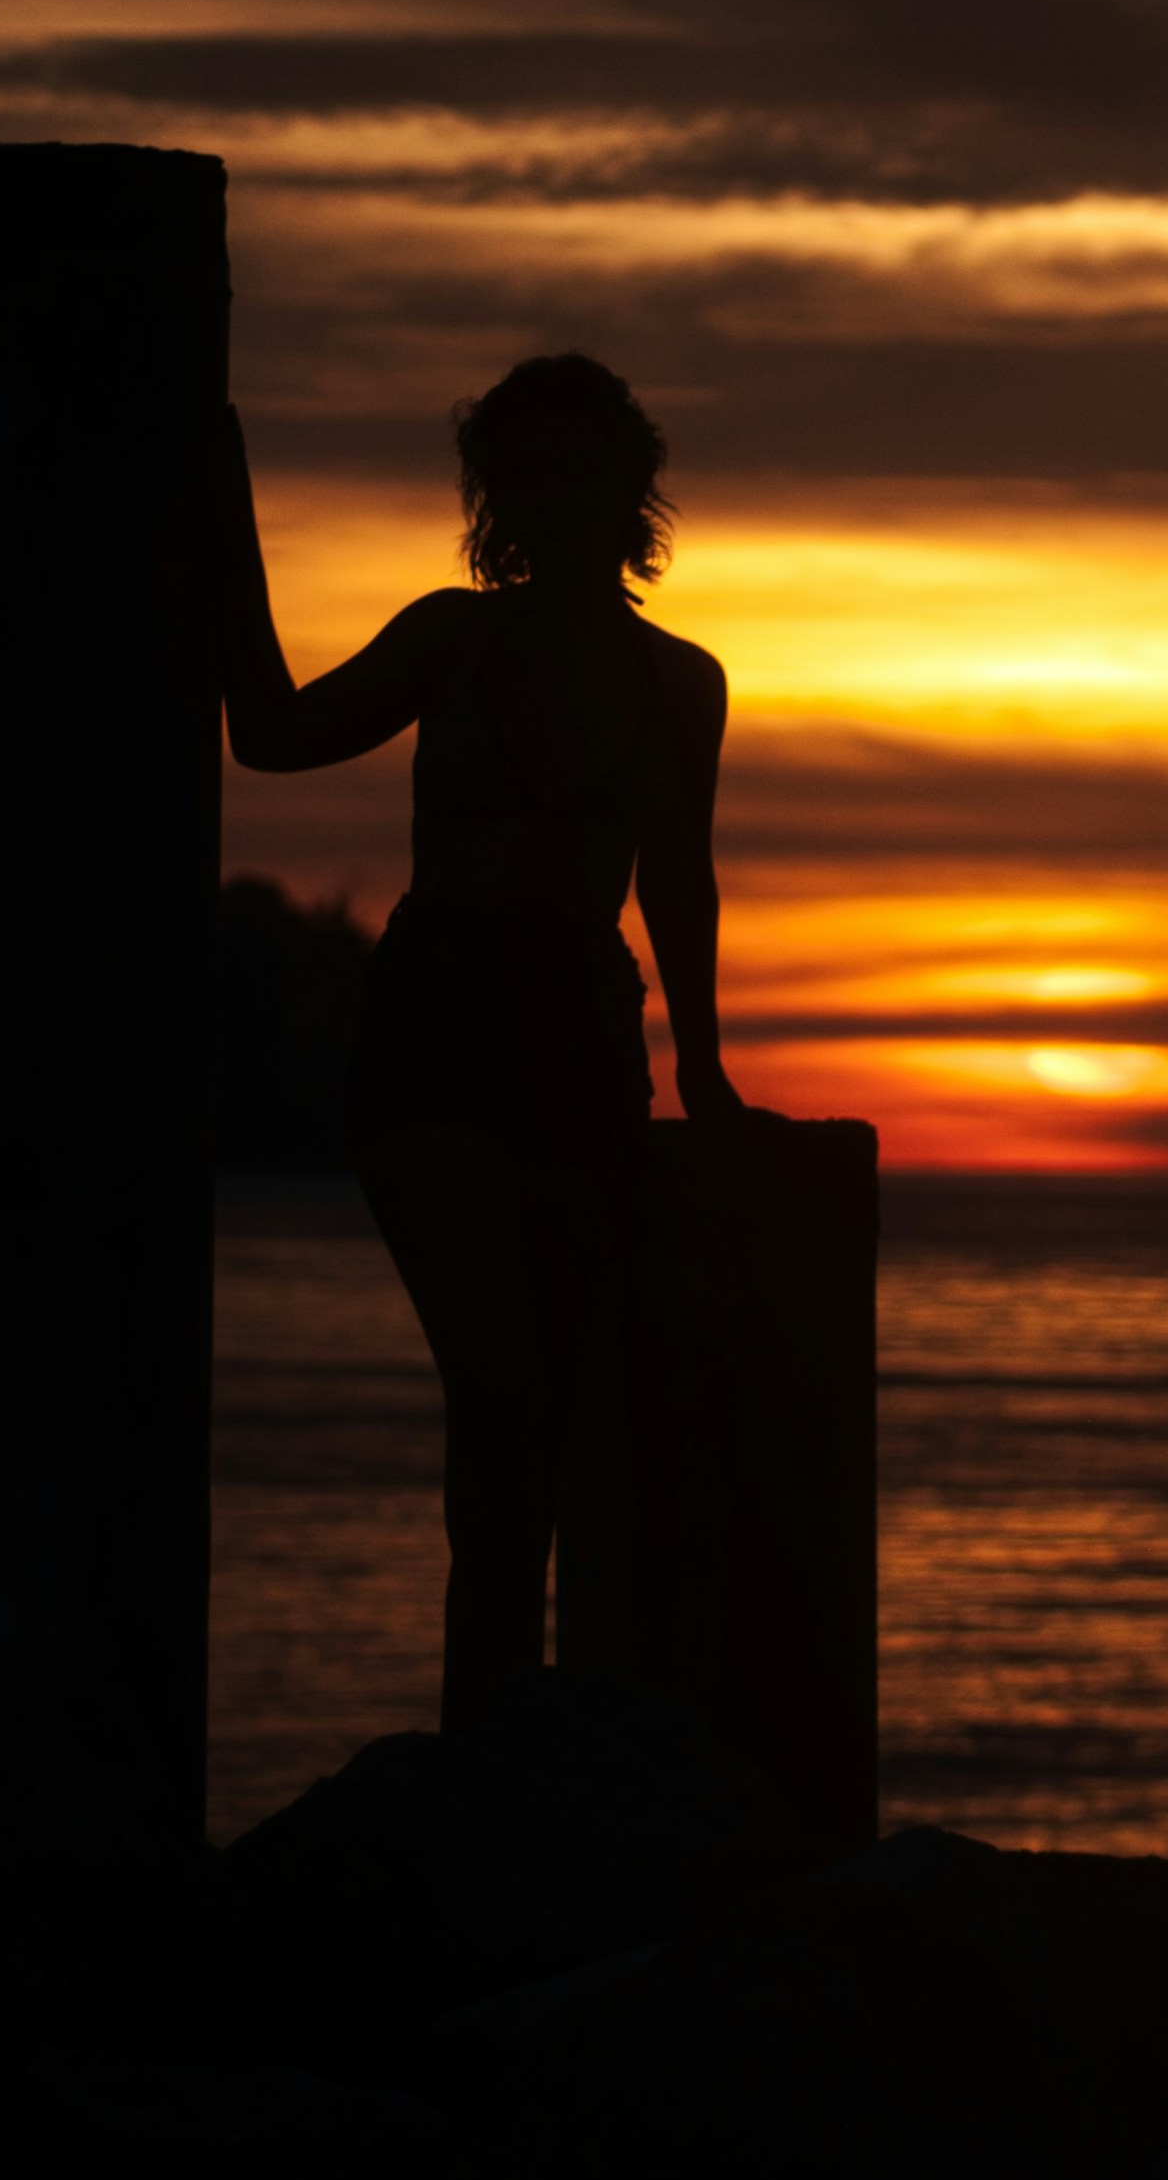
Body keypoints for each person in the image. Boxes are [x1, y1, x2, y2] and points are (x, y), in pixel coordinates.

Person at [213, 351, 753, 1729]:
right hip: (439, 1030)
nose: (555, 497)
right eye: (526, 472)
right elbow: (272, 734)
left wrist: (704, 1070)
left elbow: (678, 883)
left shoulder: (683, 683)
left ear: (630, 487)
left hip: (580, 1040)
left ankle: (513, 1743)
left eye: (581, 467)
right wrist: (220, 522)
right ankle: (489, 1751)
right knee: (503, 1393)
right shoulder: (453, 639)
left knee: (556, 1422)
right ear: (501, 497)